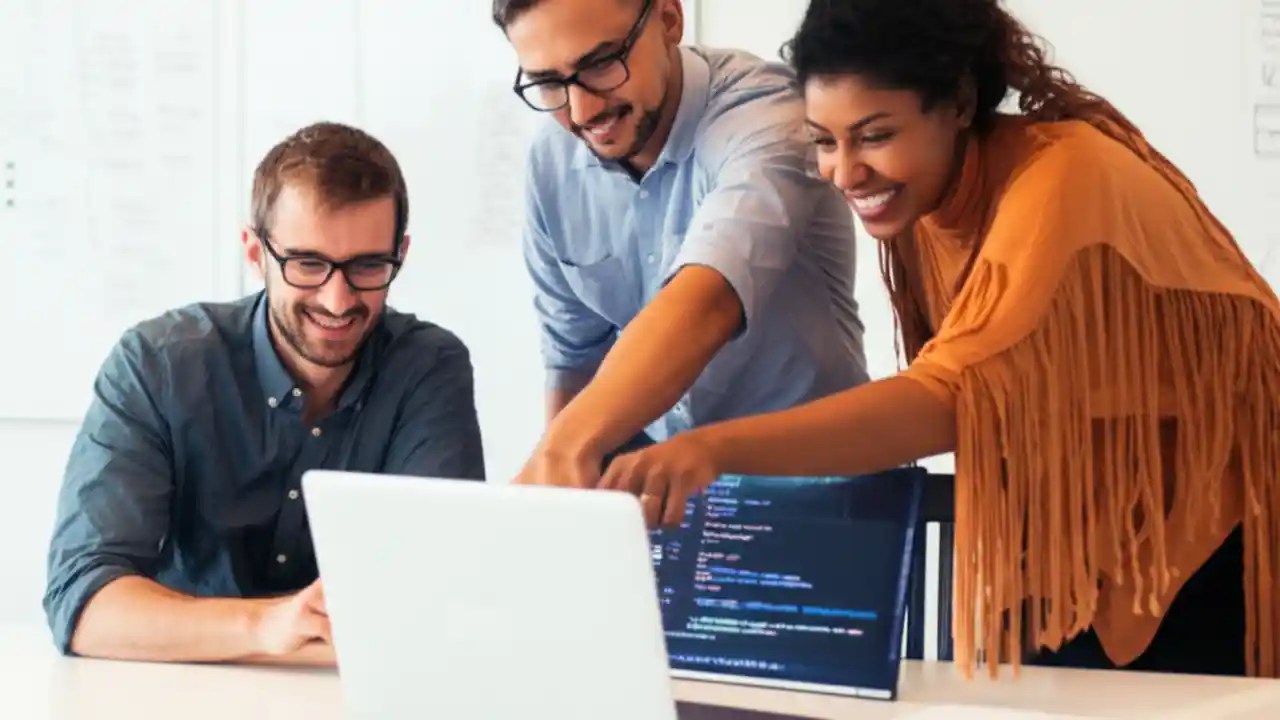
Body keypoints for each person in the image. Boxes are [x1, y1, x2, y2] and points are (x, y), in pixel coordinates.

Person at [593, 0, 1280, 680]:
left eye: (875, 135)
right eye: (825, 140)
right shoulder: (927, 202)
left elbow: (949, 399)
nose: (845, 172)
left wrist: (714, 450)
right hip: (1091, 545)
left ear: (956, 103)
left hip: (1214, 532)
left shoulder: (1062, 178)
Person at [42, 122, 486, 666]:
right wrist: (266, 624)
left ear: (401, 255)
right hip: (179, 687)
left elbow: (442, 596)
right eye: (307, 264)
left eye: (368, 266)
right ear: (255, 252)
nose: (338, 298)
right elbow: (83, 603)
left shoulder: (428, 368)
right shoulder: (156, 365)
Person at [492, 0, 870, 485]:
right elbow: (575, 358)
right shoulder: (552, 156)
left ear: (670, 19)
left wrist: (563, 451)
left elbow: (708, 299)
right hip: (668, 484)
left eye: (602, 63)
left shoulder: (769, 116)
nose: (582, 110)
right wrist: (563, 503)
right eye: (549, 82)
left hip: (818, 481)